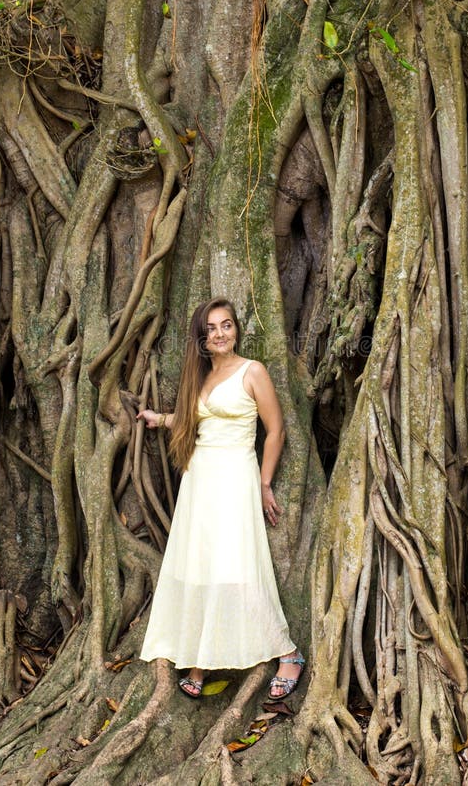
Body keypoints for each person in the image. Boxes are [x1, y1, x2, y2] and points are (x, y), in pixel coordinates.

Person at [137, 297, 305, 700]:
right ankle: (200, 660)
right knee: (199, 565)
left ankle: (288, 653)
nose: (219, 334)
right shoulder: (201, 376)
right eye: (211, 328)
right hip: (199, 481)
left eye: (226, 325)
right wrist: (159, 419)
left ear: (236, 330)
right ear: (202, 337)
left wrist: (264, 484)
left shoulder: (252, 371)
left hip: (235, 477)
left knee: (238, 565)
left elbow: (276, 430)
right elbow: (195, 419)